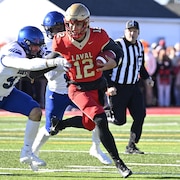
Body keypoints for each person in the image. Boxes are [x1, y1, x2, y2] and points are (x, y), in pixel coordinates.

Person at [48, 3, 132, 178]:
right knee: (101, 119)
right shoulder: (60, 40)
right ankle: (119, 163)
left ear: (86, 23)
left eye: (78, 23)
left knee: (90, 124)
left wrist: (111, 61)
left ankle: (61, 124)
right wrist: (30, 71)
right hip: (77, 88)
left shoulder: (98, 35)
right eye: (71, 23)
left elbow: (117, 51)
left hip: (97, 86)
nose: (74, 27)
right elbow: (49, 60)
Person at [32, 11, 112, 165]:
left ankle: (96, 148)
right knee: (50, 129)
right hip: (57, 90)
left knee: (97, 117)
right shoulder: (50, 46)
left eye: (61, 27)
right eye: (55, 29)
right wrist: (62, 64)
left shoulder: (75, 39)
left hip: (79, 88)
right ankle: (32, 152)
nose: (60, 31)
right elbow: (50, 73)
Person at [0, 26, 69, 169]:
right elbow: (28, 65)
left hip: (7, 93)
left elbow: (45, 60)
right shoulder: (11, 52)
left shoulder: (31, 52)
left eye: (39, 46)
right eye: (34, 46)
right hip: (5, 91)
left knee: (35, 111)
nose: (36, 49)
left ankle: (27, 152)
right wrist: (54, 62)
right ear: (24, 43)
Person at [104, 20, 154, 154]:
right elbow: (106, 67)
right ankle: (104, 114)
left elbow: (140, 66)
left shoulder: (139, 46)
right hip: (118, 87)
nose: (132, 33)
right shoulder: (117, 45)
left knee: (140, 115)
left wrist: (147, 78)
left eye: (135, 31)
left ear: (138, 33)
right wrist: (109, 86)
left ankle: (131, 146)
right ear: (125, 31)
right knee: (119, 121)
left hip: (133, 86)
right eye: (130, 30)